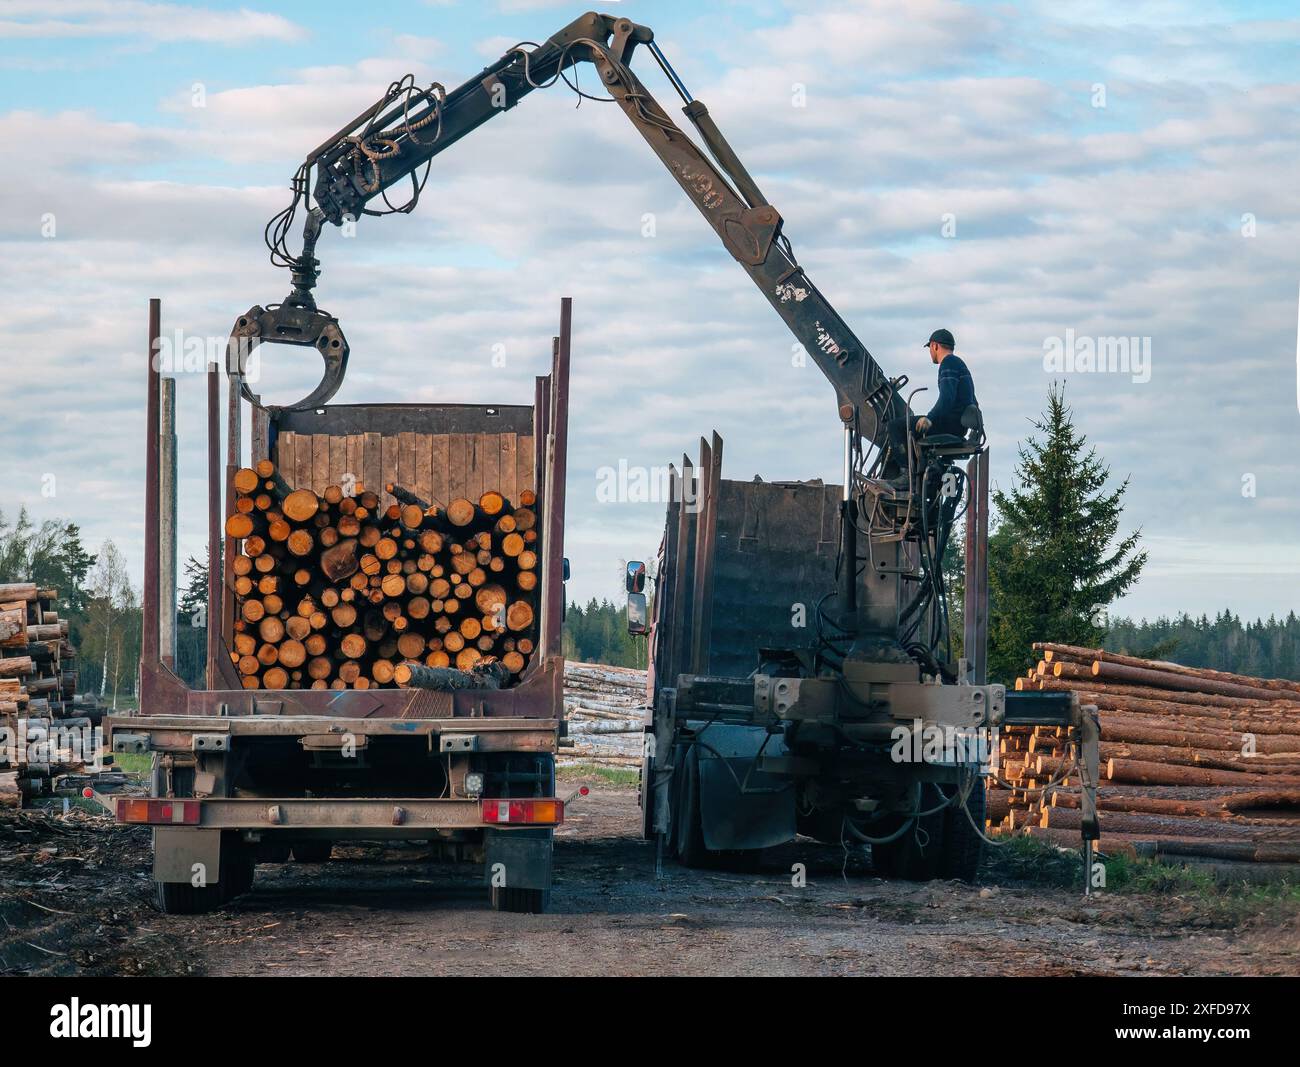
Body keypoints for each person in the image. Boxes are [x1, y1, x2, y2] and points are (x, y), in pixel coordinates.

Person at [885, 328, 977, 482]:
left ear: (934, 346)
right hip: (958, 426)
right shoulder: (959, 364)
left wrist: (930, 418)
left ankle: (907, 475)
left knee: (895, 427)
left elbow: (947, 398)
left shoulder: (948, 364)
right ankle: (920, 474)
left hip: (949, 425)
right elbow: (973, 400)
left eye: (930, 348)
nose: (930, 352)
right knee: (912, 428)